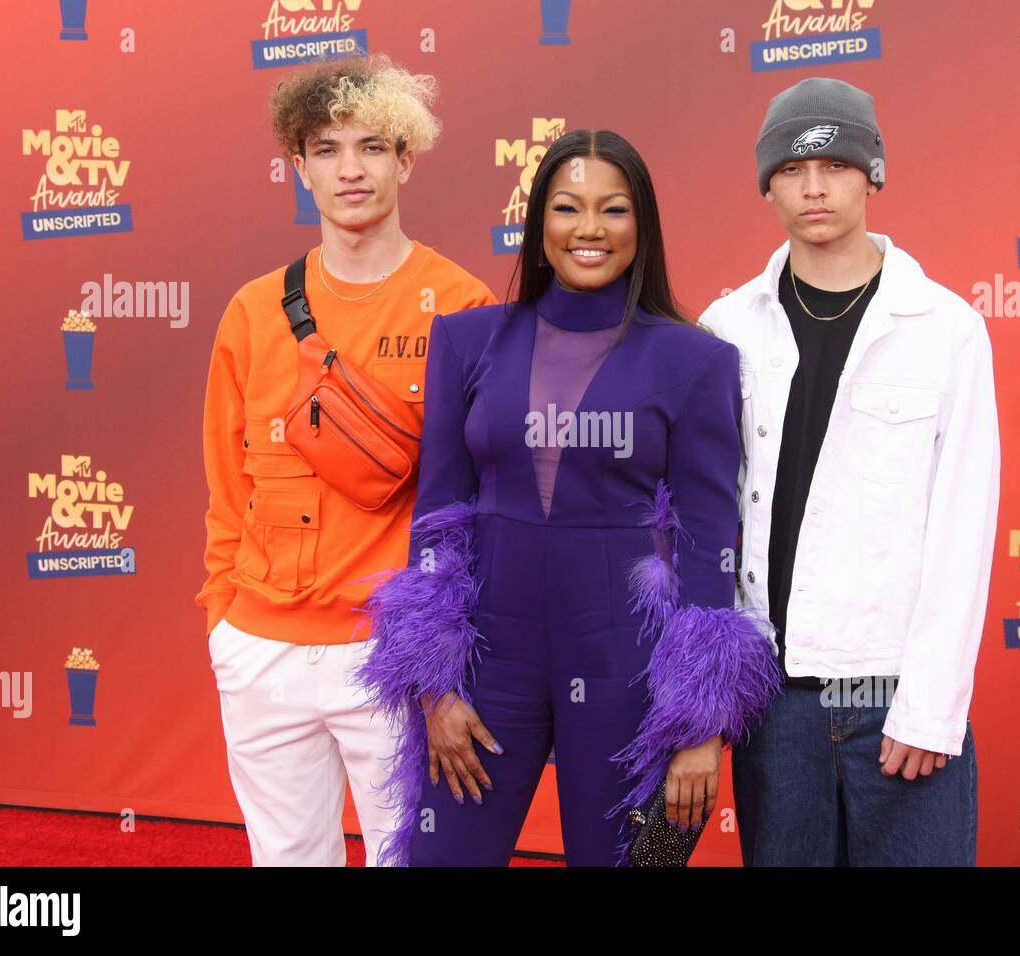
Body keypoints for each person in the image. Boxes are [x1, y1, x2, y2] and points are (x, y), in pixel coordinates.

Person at [355, 129, 782, 866]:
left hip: (634, 677)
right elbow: (436, 522)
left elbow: (713, 542)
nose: (589, 229)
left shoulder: (698, 359)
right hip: (486, 672)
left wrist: (700, 723)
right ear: (538, 224)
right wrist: (432, 685)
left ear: (640, 225)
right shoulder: (465, 340)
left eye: (612, 209)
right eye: (567, 207)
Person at [195, 54, 495, 866]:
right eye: (326, 149)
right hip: (259, 646)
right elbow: (227, 485)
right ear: (299, 167)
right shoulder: (254, 312)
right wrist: (225, 616)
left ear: (407, 158)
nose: (350, 169)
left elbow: (482, 505)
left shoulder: (464, 307)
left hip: (390, 654)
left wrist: (438, 657)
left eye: (372, 146)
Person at [699, 77, 1000, 866]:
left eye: (834, 164)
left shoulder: (946, 329)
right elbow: (708, 514)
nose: (814, 187)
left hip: (896, 696)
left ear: (871, 173)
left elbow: (963, 524)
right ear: (768, 185)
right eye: (793, 170)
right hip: (775, 701)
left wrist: (930, 708)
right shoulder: (727, 326)